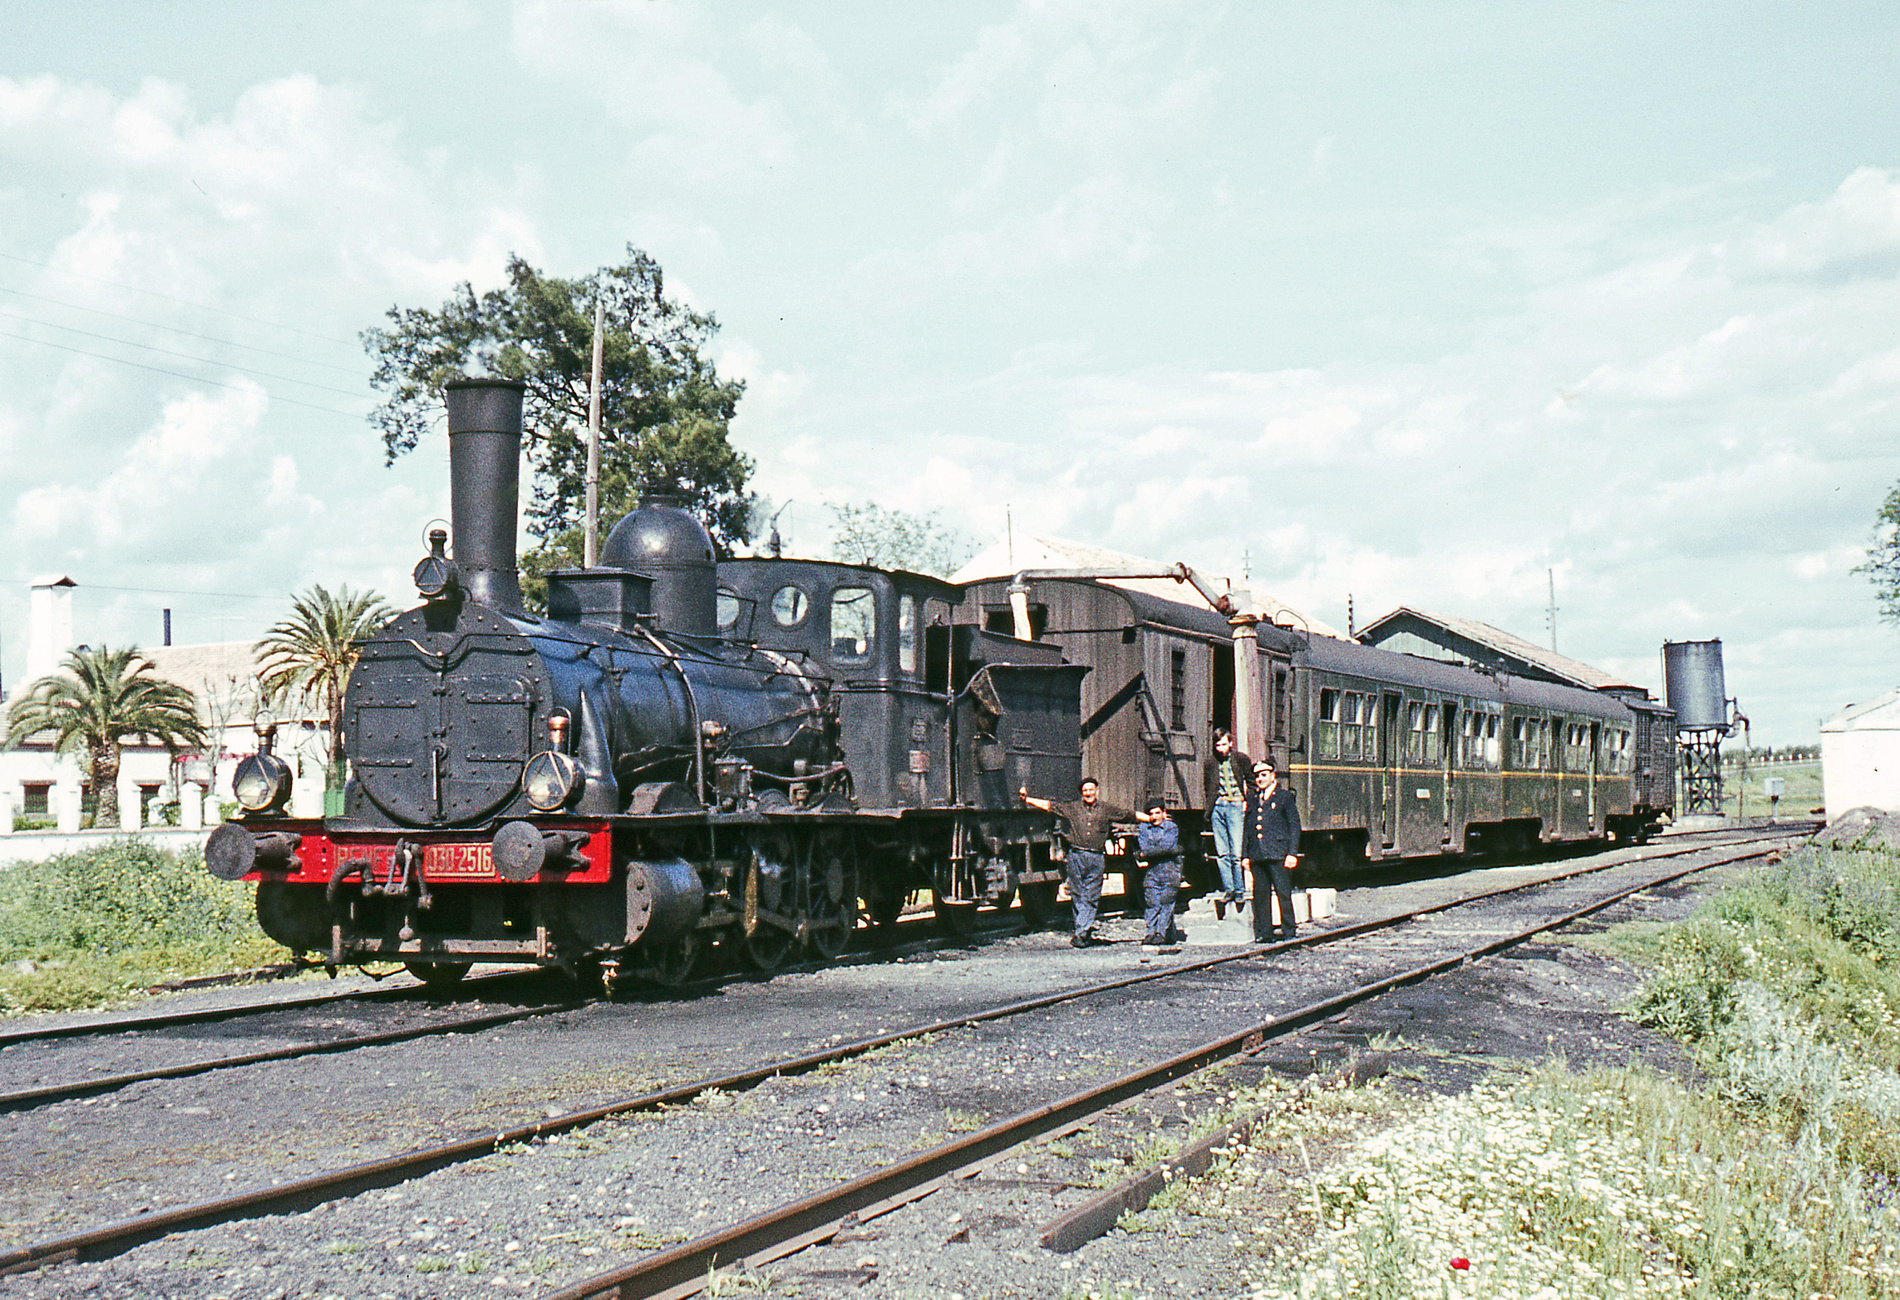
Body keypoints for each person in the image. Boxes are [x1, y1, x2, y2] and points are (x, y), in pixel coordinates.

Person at [1019, 778, 1144, 947]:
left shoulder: (1107, 809)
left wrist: (1151, 818)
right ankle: (1083, 931)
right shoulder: (1073, 809)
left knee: (1091, 896)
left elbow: (1129, 815)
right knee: (1077, 894)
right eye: (1085, 790)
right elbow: (1050, 806)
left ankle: (1081, 932)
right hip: (1076, 856)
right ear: (1082, 793)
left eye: (1091, 790)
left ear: (1097, 791)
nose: (1088, 793)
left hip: (1096, 858)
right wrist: (1027, 800)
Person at [1240, 759, 1302, 942]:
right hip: (1258, 853)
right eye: (1257, 776)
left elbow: (1294, 826)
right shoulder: (1252, 799)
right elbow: (1247, 829)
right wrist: (1245, 855)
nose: (1260, 779)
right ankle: (1264, 932)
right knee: (1261, 894)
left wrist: (1292, 853)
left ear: (1273, 776)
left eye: (1263, 775)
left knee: (1283, 892)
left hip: (1278, 852)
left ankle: (1289, 930)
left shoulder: (1284, 797)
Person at [1203, 728, 1253, 918]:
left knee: (1236, 852)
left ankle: (1239, 890)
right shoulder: (1210, 762)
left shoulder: (1240, 759)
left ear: (1230, 743)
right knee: (1222, 852)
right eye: (1217, 745)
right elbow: (1207, 785)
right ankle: (1229, 889)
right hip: (1219, 806)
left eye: (1224, 744)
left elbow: (1251, 780)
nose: (1220, 748)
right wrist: (1210, 806)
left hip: (1235, 806)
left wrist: (1247, 801)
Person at [1136, 797, 1185, 949]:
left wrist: (1147, 853)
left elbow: (1165, 846)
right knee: (1151, 902)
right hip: (1152, 871)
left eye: (1158, 813)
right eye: (1151, 814)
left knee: (1166, 902)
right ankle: (1151, 933)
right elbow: (1148, 847)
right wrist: (1161, 850)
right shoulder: (1144, 828)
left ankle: (1161, 933)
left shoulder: (1171, 827)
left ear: (1164, 813)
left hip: (1170, 869)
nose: (1155, 816)